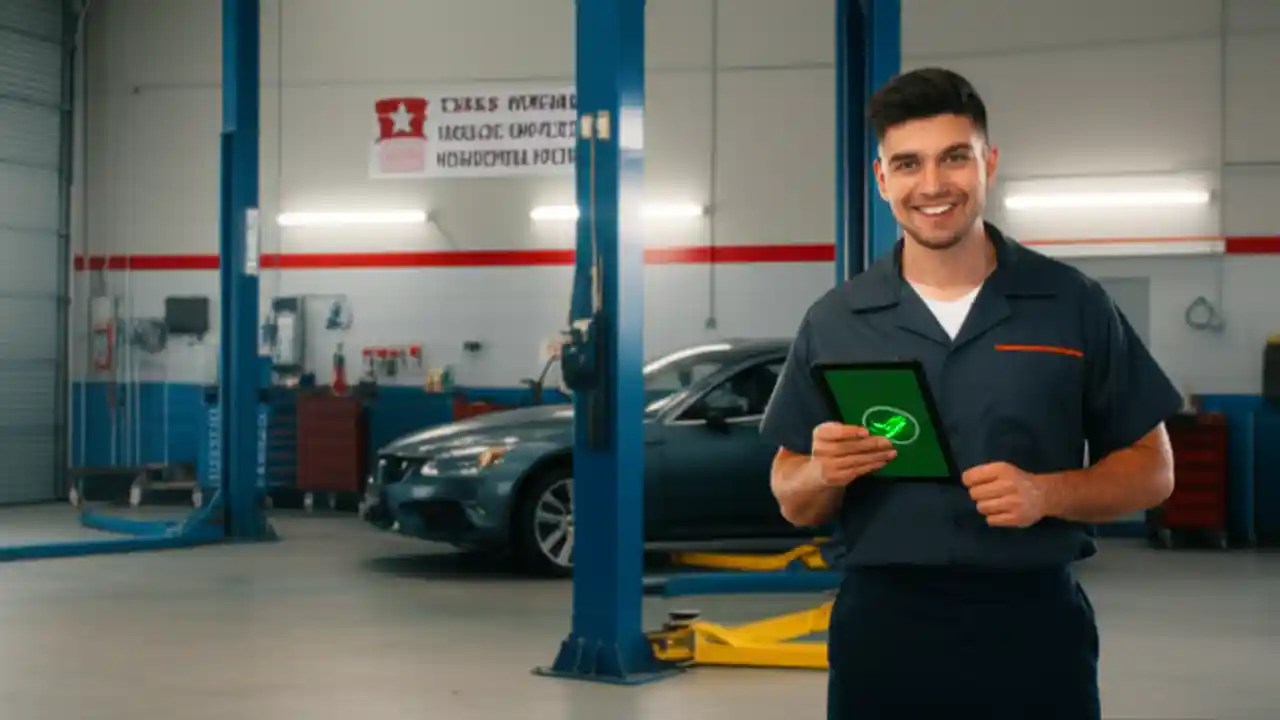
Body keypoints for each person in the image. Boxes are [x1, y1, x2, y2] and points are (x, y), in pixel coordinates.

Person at [759, 67, 1183, 719]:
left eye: (953, 158)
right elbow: (792, 498)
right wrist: (821, 470)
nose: (932, 185)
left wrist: (1049, 493)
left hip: (1033, 627)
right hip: (885, 631)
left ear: (988, 163)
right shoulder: (836, 319)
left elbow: (1154, 471)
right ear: (881, 180)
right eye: (907, 164)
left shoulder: (1072, 304)